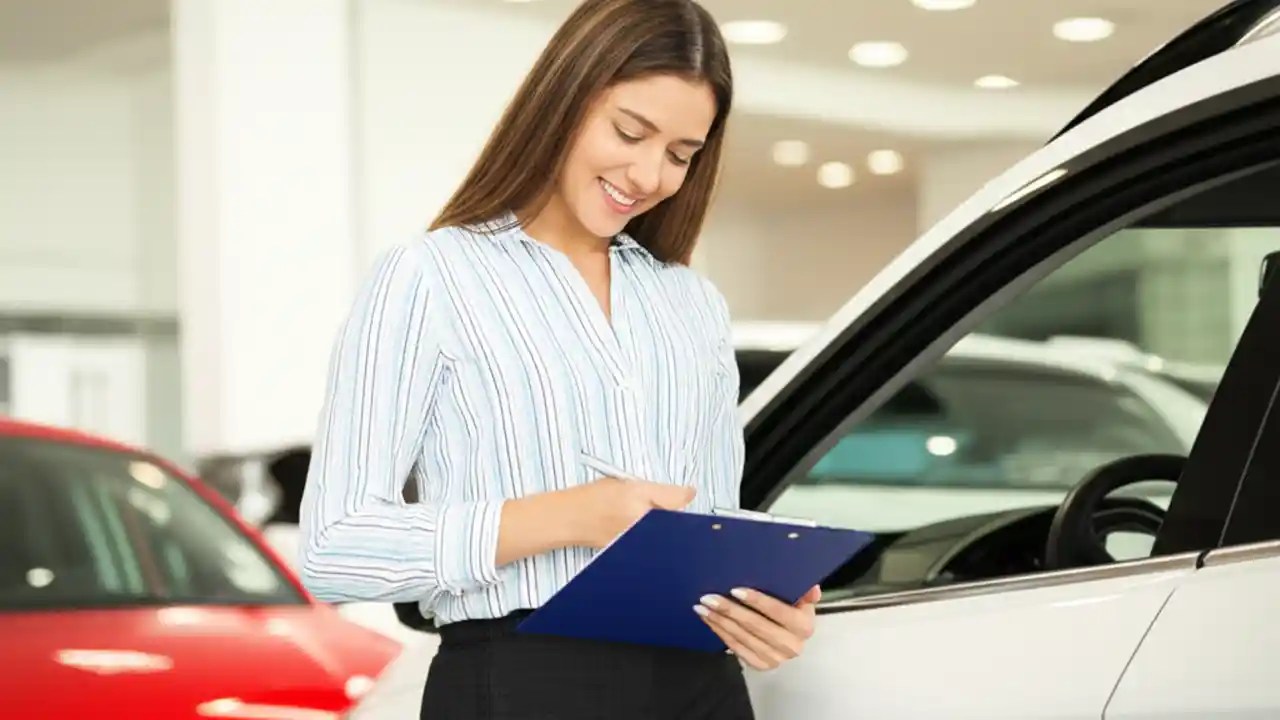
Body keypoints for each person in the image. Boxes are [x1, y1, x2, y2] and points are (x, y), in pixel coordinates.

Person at [297, 0, 821, 716]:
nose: (647, 175)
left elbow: (710, 522)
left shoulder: (692, 302)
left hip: (701, 685)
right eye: (629, 132)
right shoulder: (431, 277)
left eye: (679, 154)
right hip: (523, 684)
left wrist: (765, 613)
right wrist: (575, 515)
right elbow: (335, 548)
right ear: (564, 99)